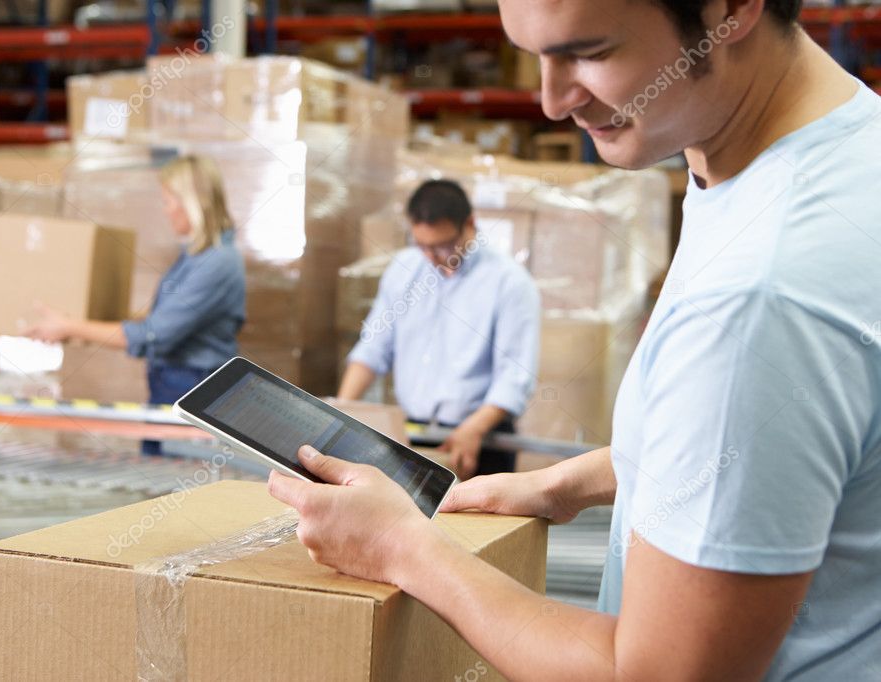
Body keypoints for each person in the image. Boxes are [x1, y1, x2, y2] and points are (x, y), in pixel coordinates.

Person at [267, 0, 881, 679]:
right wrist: (567, 483)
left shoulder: (756, 294)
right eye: (534, 55)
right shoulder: (815, 151)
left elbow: (651, 674)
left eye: (587, 53)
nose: (552, 102)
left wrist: (401, 549)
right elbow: (784, 444)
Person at [28, 155, 245, 455]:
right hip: (176, 381)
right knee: (161, 468)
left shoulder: (217, 263)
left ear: (193, 203)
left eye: (169, 202)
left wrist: (69, 327)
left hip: (192, 385)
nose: (166, 211)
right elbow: (166, 318)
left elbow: (154, 334)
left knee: (177, 479)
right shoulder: (198, 256)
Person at [337, 179, 539, 479]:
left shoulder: (509, 282)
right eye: (422, 246)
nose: (433, 258)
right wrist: (341, 412)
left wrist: (475, 428)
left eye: (444, 246)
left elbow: (514, 375)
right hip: (412, 436)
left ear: (470, 224)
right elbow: (373, 348)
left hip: (480, 440)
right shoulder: (404, 269)